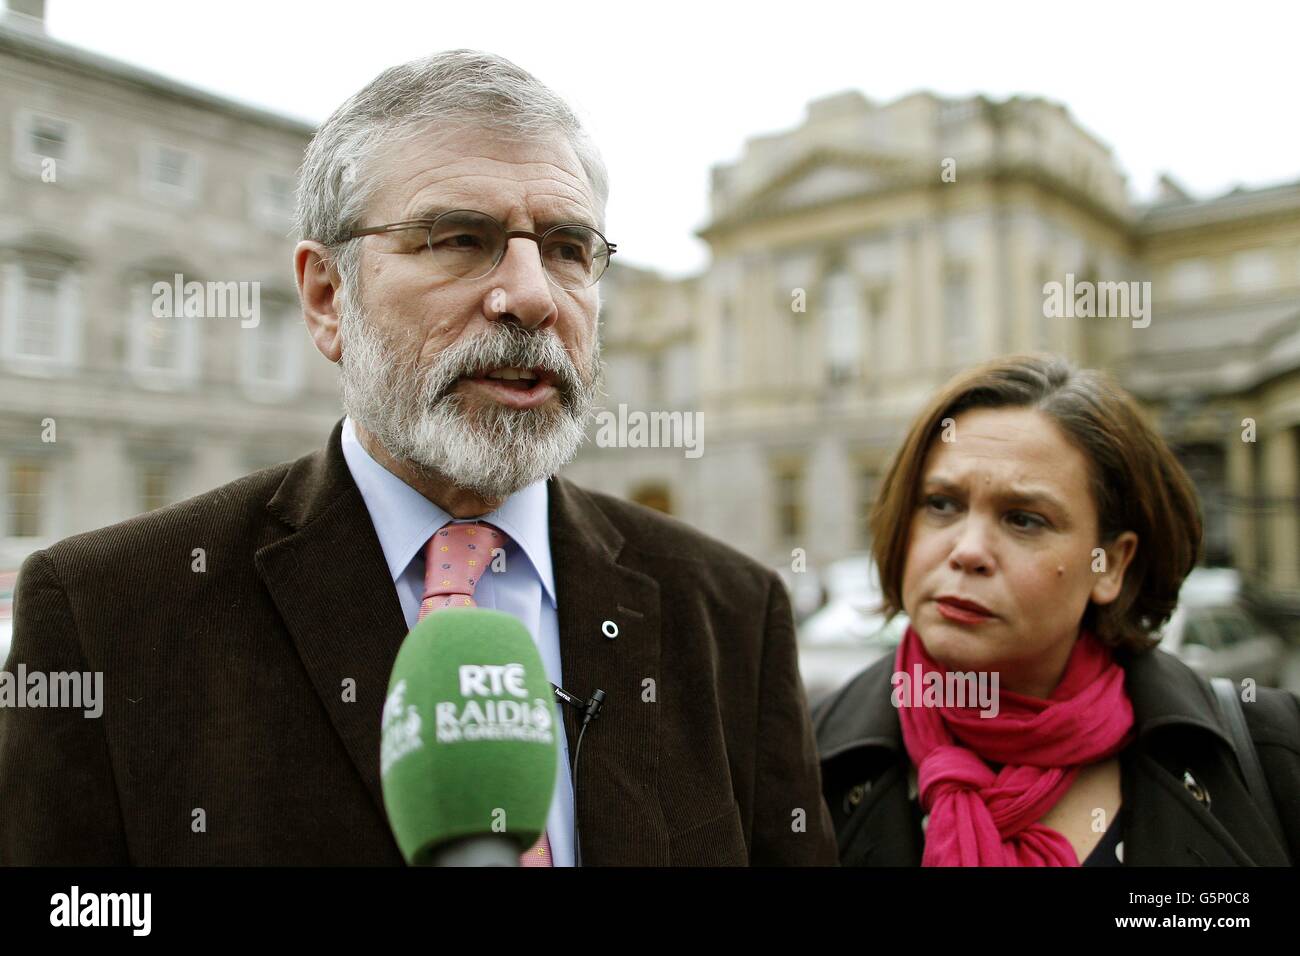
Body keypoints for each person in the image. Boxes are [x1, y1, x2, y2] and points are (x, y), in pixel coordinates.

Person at [0, 50, 836, 866]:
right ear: (328, 296)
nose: (533, 295)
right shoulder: (104, 614)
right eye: (459, 239)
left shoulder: (731, 613)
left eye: (568, 249)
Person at [814, 354, 1298, 866]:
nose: (968, 550)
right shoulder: (803, 761)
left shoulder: (1265, 755)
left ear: (1110, 564)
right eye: (942, 504)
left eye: (1024, 519)